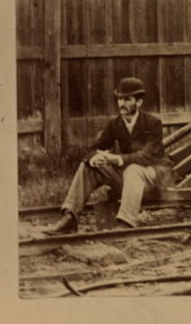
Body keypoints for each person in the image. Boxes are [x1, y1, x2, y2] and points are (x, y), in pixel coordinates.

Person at [45, 76, 171, 234]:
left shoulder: (153, 123)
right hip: (130, 178)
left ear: (139, 102)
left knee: (133, 169)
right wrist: (94, 157)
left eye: (127, 99)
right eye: (119, 99)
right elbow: (94, 148)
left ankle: (126, 223)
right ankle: (70, 217)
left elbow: (148, 155)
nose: (122, 104)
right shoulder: (115, 124)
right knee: (87, 167)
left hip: (154, 174)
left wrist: (116, 158)